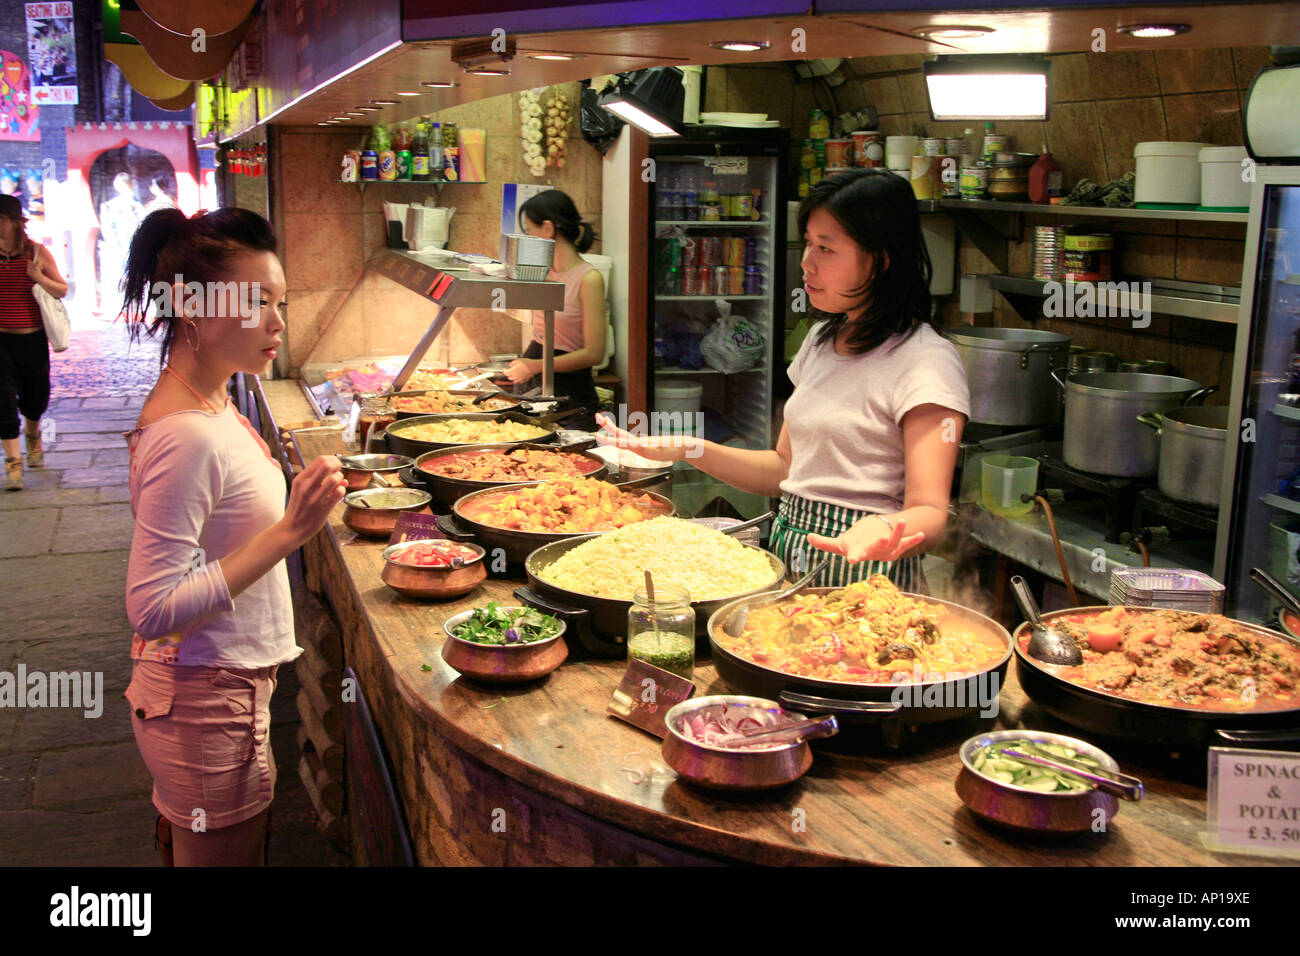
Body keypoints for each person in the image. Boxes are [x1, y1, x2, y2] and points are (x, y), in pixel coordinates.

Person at [597, 168, 970, 589]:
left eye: (826, 249)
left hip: (870, 579)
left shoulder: (926, 362)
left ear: (881, 260)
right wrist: (685, 447)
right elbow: (784, 468)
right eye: (808, 245)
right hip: (789, 561)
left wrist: (884, 528)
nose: (807, 264)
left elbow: (931, 512)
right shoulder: (821, 340)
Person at [120, 207, 347, 865]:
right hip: (204, 697)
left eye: (281, 301)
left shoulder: (212, 397)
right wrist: (289, 532)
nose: (278, 322)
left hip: (220, 687)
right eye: (255, 301)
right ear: (190, 305)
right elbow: (152, 608)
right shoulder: (186, 433)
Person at [505, 189, 605, 429]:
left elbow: (594, 354)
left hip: (570, 391)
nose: (528, 238)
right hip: (536, 382)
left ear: (548, 229)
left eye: (530, 231)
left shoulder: (588, 278)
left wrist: (534, 365)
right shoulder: (543, 271)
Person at [0, 193, 67, 491]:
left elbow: (62, 289)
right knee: (2, 400)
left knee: (35, 398)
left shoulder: (36, 253)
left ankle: (33, 435)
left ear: (15, 223)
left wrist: (38, 277)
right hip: (0, 341)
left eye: (0, 220)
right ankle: (14, 465)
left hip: (32, 339)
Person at [99, 171, 144, 309]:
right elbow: (107, 228)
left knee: (133, 273)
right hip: (118, 243)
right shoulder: (110, 205)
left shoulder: (136, 204)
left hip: (132, 243)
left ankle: (133, 301)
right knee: (120, 274)